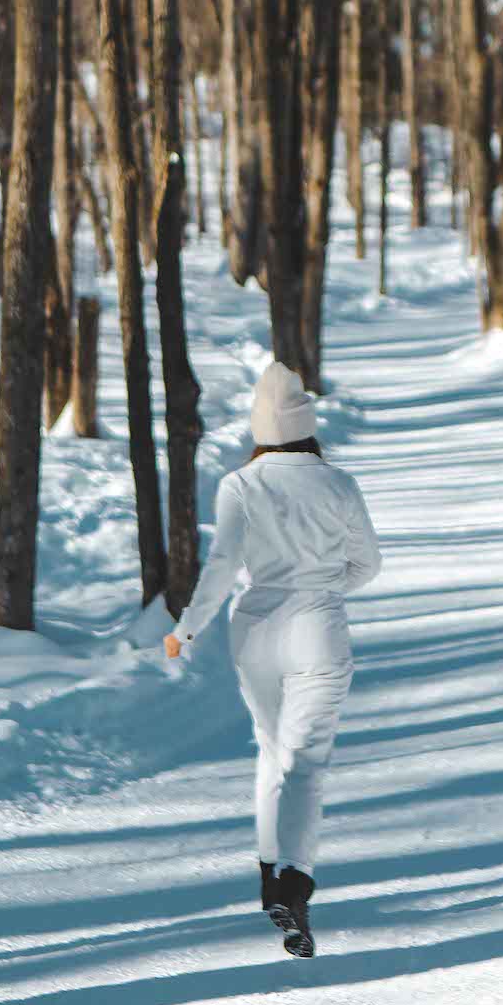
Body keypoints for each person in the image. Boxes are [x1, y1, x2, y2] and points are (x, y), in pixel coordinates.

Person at [164, 361, 382, 958]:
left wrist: (186, 629)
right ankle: (294, 883)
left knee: (271, 749)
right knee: (306, 763)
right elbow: (367, 565)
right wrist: (323, 581)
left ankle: (269, 877)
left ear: (262, 429)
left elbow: (221, 567)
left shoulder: (242, 485)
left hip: (254, 629)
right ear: (309, 425)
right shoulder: (339, 484)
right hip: (317, 627)